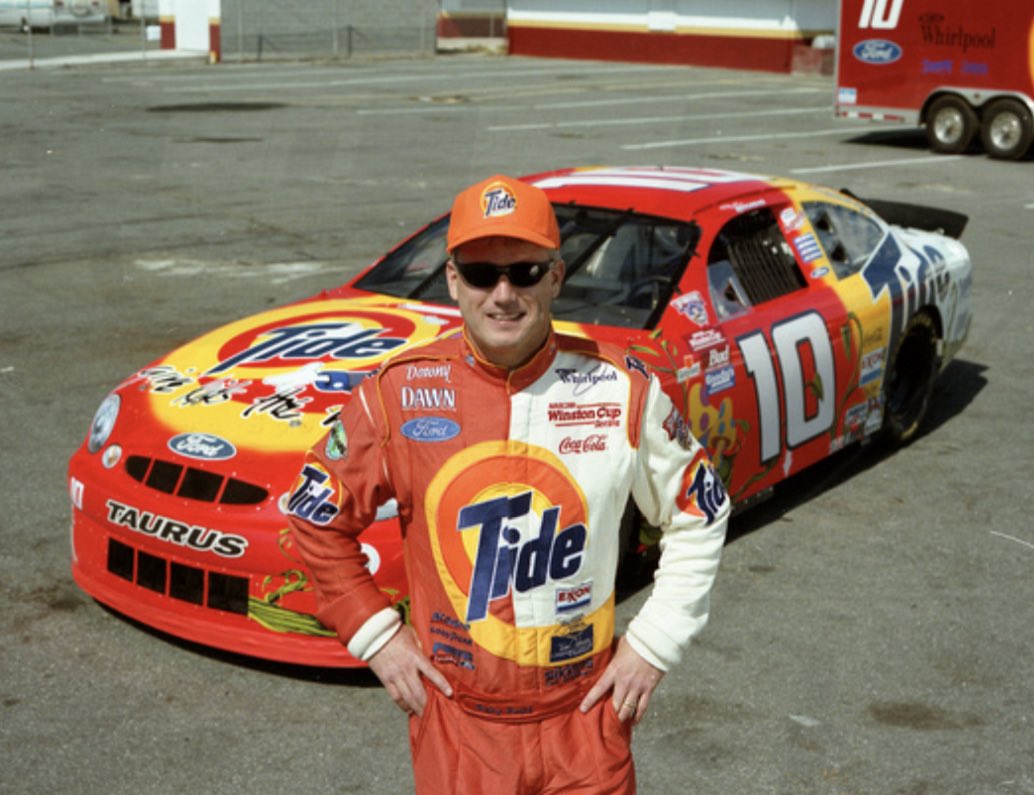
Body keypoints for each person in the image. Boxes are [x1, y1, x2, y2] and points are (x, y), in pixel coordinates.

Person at [288, 174, 730, 794]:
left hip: (584, 719)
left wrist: (655, 644)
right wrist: (378, 636)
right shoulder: (396, 391)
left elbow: (701, 511)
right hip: (460, 726)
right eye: (479, 273)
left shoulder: (622, 387)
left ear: (555, 276)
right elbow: (313, 515)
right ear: (452, 280)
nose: (502, 294)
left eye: (524, 271)